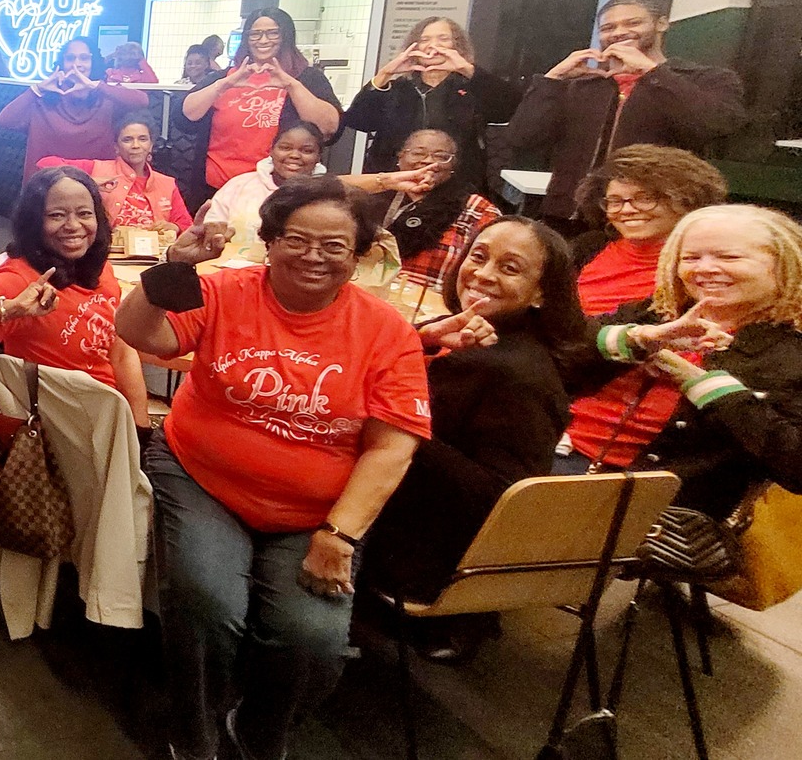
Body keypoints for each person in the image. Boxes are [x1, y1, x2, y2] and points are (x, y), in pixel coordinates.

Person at [116, 176, 430, 760]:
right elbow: (139, 333)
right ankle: (195, 733)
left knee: (313, 638)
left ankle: (258, 730)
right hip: (202, 479)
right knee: (207, 603)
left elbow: (392, 447)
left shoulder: (387, 332)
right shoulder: (226, 291)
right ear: (269, 241)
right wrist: (173, 268)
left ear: (359, 255)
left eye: (334, 246)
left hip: (317, 513)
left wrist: (339, 534)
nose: (314, 256)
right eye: (296, 240)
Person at [360, 218, 582, 657]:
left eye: (510, 268)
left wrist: (398, 429)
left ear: (542, 293)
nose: (482, 274)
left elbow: (501, 498)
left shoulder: (513, 372)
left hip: (418, 561)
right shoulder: (474, 337)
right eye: (478, 257)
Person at [566, 206, 802, 523]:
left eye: (729, 257)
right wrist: (640, 339)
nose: (705, 269)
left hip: (664, 516)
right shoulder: (656, 313)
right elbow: (558, 354)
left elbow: (795, 466)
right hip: (565, 464)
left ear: (783, 266)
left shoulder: (791, 353)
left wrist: (706, 385)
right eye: (690, 258)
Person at [0, 166, 151, 466]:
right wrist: (9, 309)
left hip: (106, 417)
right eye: (57, 215)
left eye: (84, 213)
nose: (73, 226)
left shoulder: (98, 267)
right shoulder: (20, 278)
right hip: (54, 429)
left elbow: (120, 350)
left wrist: (140, 428)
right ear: (35, 222)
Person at [503, 0, 746, 223]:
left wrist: (652, 72)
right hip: (573, 215)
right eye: (608, 28)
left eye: (633, 23)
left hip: (656, 215)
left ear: (661, 24)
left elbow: (718, 124)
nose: (619, 32)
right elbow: (522, 138)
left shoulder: (706, 79)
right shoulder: (580, 86)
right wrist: (552, 79)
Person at [180, 9, 343, 203]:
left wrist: (291, 85)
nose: (263, 40)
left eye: (272, 33)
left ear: (286, 36)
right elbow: (185, 116)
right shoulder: (226, 77)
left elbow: (329, 128)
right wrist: (224, 85)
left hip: (282, 192)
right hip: (218, 190)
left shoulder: (307, 78)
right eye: (255, 34)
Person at [343, 16, 517, 192]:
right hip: (392, 182)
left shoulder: (473, 86)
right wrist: (385, 74)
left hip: (457, 185)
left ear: (457, 46)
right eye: (425, 40)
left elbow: (508, 110)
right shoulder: (397, 88)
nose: (433, 45)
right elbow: (358, 121)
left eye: (443, 39)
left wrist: (468, 70)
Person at [570, 144, 729, 316]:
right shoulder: (587, 248)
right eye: (615, 201)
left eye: (645, 199)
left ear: (687, 201)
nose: (627, 210)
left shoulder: (704, 266)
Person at [0, 37, 151, 179]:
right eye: (70, 58)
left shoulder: (107, 96)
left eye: (84, 58)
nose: (77, 64)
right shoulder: (44, 99)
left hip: (98, 185)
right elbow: (5, 121)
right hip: (49, 185)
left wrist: (96, 86)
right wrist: (36, 89)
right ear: (61, 63)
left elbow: (142, 101)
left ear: (93, 62)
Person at [372, 128, 504, 291]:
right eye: (418, 153)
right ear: (400, 158)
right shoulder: (372, 196)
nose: (428, 161)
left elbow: (491, 265)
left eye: (441, 157)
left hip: (434, 301)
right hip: (369, 294)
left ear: (452, 165)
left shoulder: (477, 210)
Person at [38, 112, 192, 232]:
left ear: (151, 145)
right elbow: (45, 163)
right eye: (127, 140)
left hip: (155, 256)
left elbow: (186, 225)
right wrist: (87, 181)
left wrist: (173, 227)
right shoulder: (97, 169)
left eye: (143, 139)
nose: (136, 145)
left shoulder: (166, 183)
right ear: (116, 147)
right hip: (106, 254)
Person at [196, 122, 326, 245]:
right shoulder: (238, 185)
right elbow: (211, 229)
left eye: (307, 151)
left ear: (318, 157)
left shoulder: (327, 196)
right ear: (271, 150)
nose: (294, 155)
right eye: (285, 148)